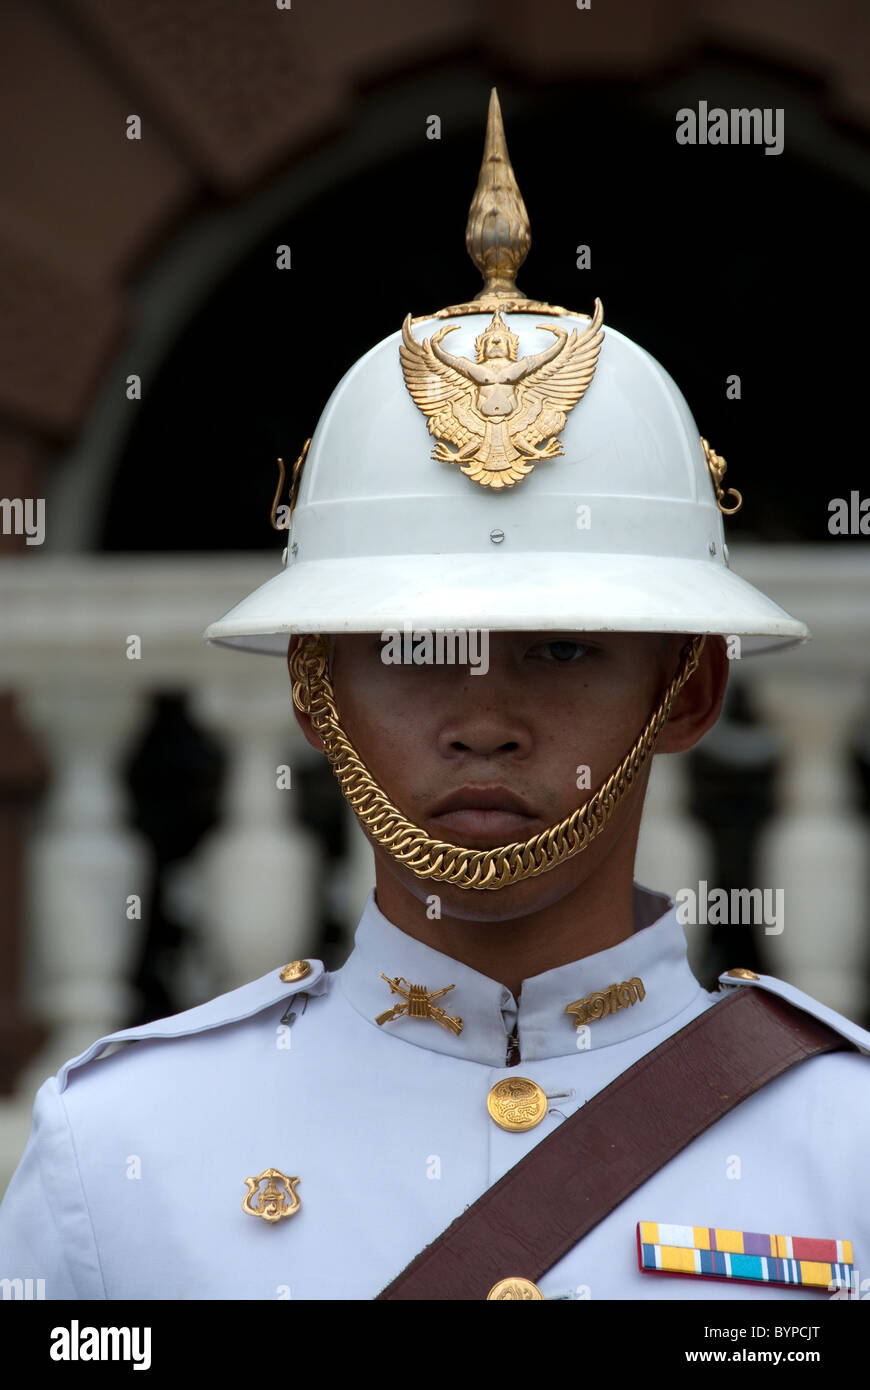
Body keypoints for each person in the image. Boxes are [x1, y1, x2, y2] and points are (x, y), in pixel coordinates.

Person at [1, 89, 868, 1303]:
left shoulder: (847, 1153)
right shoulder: (121, 1154)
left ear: (691, 689)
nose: (484, 713)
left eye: (564, 649)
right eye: (412, 645)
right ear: (315, 689)